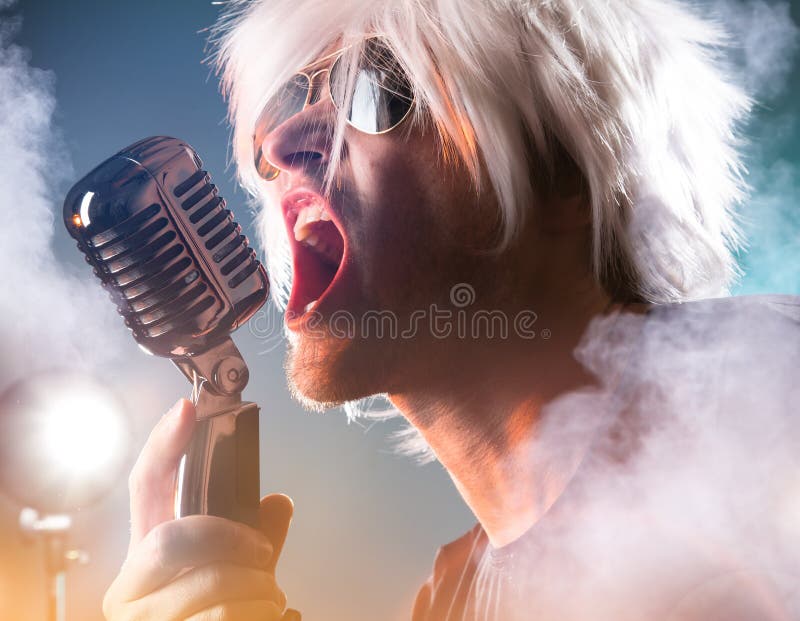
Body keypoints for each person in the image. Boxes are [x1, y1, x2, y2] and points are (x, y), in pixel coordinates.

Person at [101, 0, 800, 619]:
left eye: (377, 88)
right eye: (283, 105)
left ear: (563, 175)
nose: (278, 146)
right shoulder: (452, 594)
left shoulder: (775, 390)